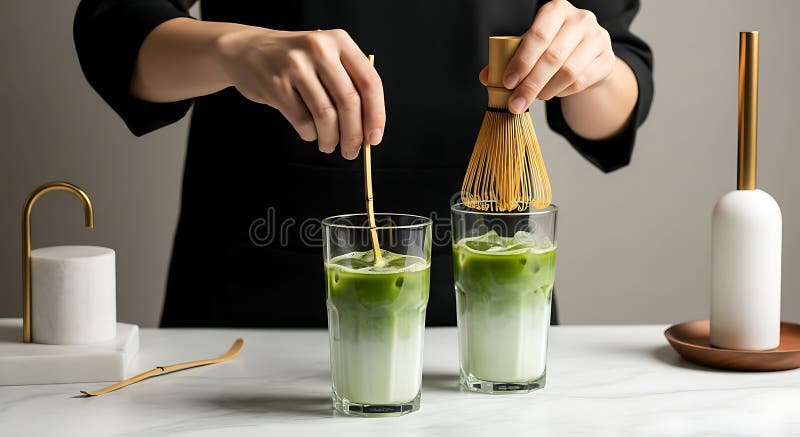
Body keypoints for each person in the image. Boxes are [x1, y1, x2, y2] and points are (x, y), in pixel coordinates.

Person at [74, 0, 653, 328]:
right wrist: (235, 48)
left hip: (483, 310)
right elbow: (116, 26)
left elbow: (615, 94)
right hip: (250, 291)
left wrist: (591, 65)